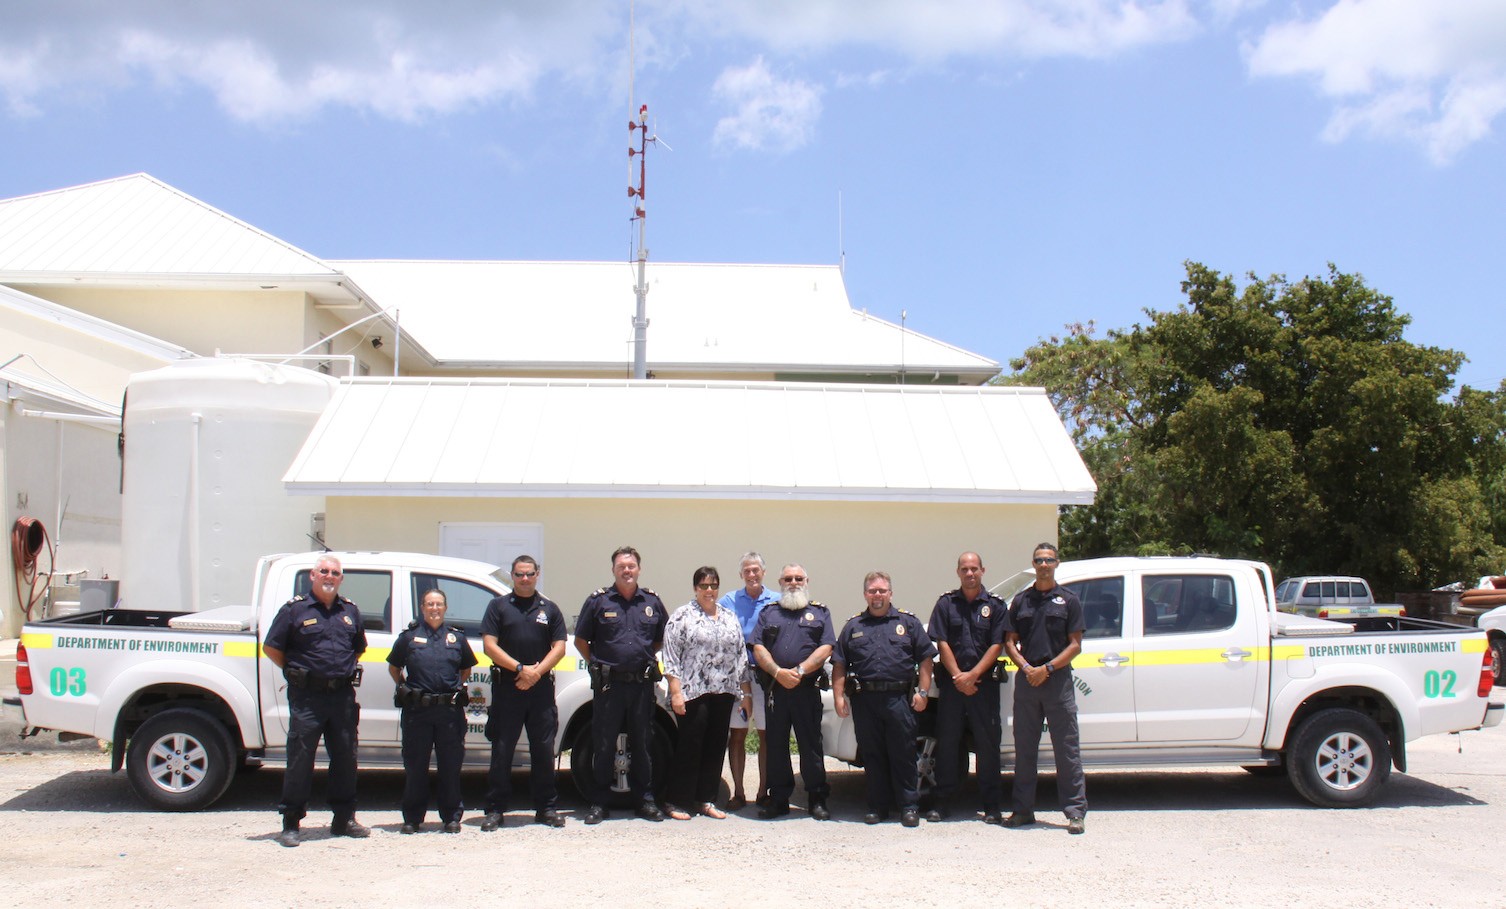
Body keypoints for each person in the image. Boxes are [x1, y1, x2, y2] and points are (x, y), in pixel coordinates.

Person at [262, 554, 369, 847]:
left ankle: (344, 819)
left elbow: (358, 648)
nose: (329, 576)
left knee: (346, 758)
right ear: (313, 576)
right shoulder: (294, 611)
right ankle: (291, 823)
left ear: (341, 579)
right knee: (300, 758)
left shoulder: (350, 611)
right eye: (324, 571)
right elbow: (271, 648)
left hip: (342, 697)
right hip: (308, 697)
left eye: (335, 572)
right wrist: (296, 672)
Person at [832, 571, 937, 827]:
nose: (877, 595)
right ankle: (877, 807)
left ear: (890, 593)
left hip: (899, 699)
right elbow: (839, 663)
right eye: (872, 591)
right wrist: (838, 696)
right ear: (865, 594)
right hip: (865, 700)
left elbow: (925, 658)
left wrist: (922, 692)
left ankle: (909, 807)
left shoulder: (908, 623)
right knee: (872, 755)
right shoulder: (853, 626)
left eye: (882, 590)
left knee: (903, 754)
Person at [575, 546, 668, 824]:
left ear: (639, 569)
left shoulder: (651, 601)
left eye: (631, 566)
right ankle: (599, 802)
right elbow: (581, 640)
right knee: (603, 744)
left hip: (641, 685)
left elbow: (661, 638)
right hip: (609, 686)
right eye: (621, 566)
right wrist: (598, 663)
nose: (626, 570)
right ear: (613, 570)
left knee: (643, 743)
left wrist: (644, 656)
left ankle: (645, 801)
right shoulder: (598, 601)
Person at [1002, 542, 1087, 834]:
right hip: (1027, 681)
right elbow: (1010, 641)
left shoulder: (1069, 600)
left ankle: (1075, 812)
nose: (1043, 564)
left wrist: (1048, 668)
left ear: (1057, 563)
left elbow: (1075, 645)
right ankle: (1023, 810)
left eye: (1049, 559)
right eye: (1039, 559)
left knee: (1066, 749)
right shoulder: (1021, 601)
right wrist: (1027, 668)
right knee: (1025, 750)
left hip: (1057, 681)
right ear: (1034, 563)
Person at [479, 555, 568, 830]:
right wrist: (520, 669)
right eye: (519, 574)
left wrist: (535, 673)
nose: (525, 579)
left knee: (542, 751)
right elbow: (489, 646)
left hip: (540, 690)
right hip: (508, 688)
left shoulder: (550, 609)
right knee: (502, 750)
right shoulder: (499, 606)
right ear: (513, 576)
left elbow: (560, 647)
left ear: (537, 574)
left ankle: (546, 808)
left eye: (529, 574)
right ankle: (495, 810)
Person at [662, 566, 754, 820]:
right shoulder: (682, 616)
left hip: (724, 691)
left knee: (715, 746)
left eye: (713, 585)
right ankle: (676, 801)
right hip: (693, 692)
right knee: (690, 746)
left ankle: (706, 799)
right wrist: (676, 692)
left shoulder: (728, 617)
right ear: (695, 588)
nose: (709, 590)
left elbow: (740, 658)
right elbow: (670, 657)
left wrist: (746, 695)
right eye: (704, 585)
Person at [386, 588, 477, 834]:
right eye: (429, 604)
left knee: (450, 766)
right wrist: (405, 687)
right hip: (418, 712)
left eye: (438, 604)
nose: (434, 608)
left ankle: (451, 817)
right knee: (416, 766)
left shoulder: (456, 639)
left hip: (449, 712)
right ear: (423, 608)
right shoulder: (409, 638)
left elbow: (466, 668)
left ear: (445, 608)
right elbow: (394, 667)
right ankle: (413, 818)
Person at [926, 551, 1007, 824]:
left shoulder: (996, 606)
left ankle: (992, 805)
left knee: (988, 745)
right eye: (964, 569)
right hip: (952, 686)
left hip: (983, 685)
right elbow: (942, 642)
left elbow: (998, 644)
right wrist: (959, 676)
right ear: (958, 572)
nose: (970, 573)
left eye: (974, 568)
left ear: (983, 570)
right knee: (948, 744)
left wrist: (972, 675)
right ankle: (943, 802)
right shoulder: (946, 604)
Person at [751, 563, 834, 821]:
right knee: (776, 745)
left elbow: (826, 647)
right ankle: (779, 800)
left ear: (806, 580)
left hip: (806, 689)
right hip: (776, 689)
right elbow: (757, 647)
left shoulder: (820, 613)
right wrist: (778, 673)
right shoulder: (769, 613)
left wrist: (798, 672)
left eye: (798, 578)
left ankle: (816, 799)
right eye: (788, 578)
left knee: (810, 745)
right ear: (780, 582)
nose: (794, 582)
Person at [718, 552, 779, 810]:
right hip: (736, 679)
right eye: (747, 570)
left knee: (767, 735)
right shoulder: (729, 600)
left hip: (766, 679)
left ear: (764, 572)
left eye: (756, 570)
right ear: (741, 574)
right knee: (737, 734)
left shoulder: (777, 601)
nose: (751, 574)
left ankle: (764, 791)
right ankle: (739, 793)